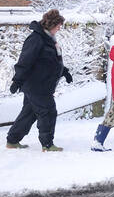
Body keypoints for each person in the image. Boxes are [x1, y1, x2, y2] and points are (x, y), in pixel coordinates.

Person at [7, 9, 73, 152]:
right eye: (58, 26)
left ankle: (12, 141)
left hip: (43, 84)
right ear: (51, 24)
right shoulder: (36, 39)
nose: (59, 29)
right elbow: (25, 61)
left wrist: (64, 72)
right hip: (37, 85)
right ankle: (47, 144)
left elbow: (52, 61)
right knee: (48, 112)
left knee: (28, 114)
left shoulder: (48, 39)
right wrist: (17, 81)